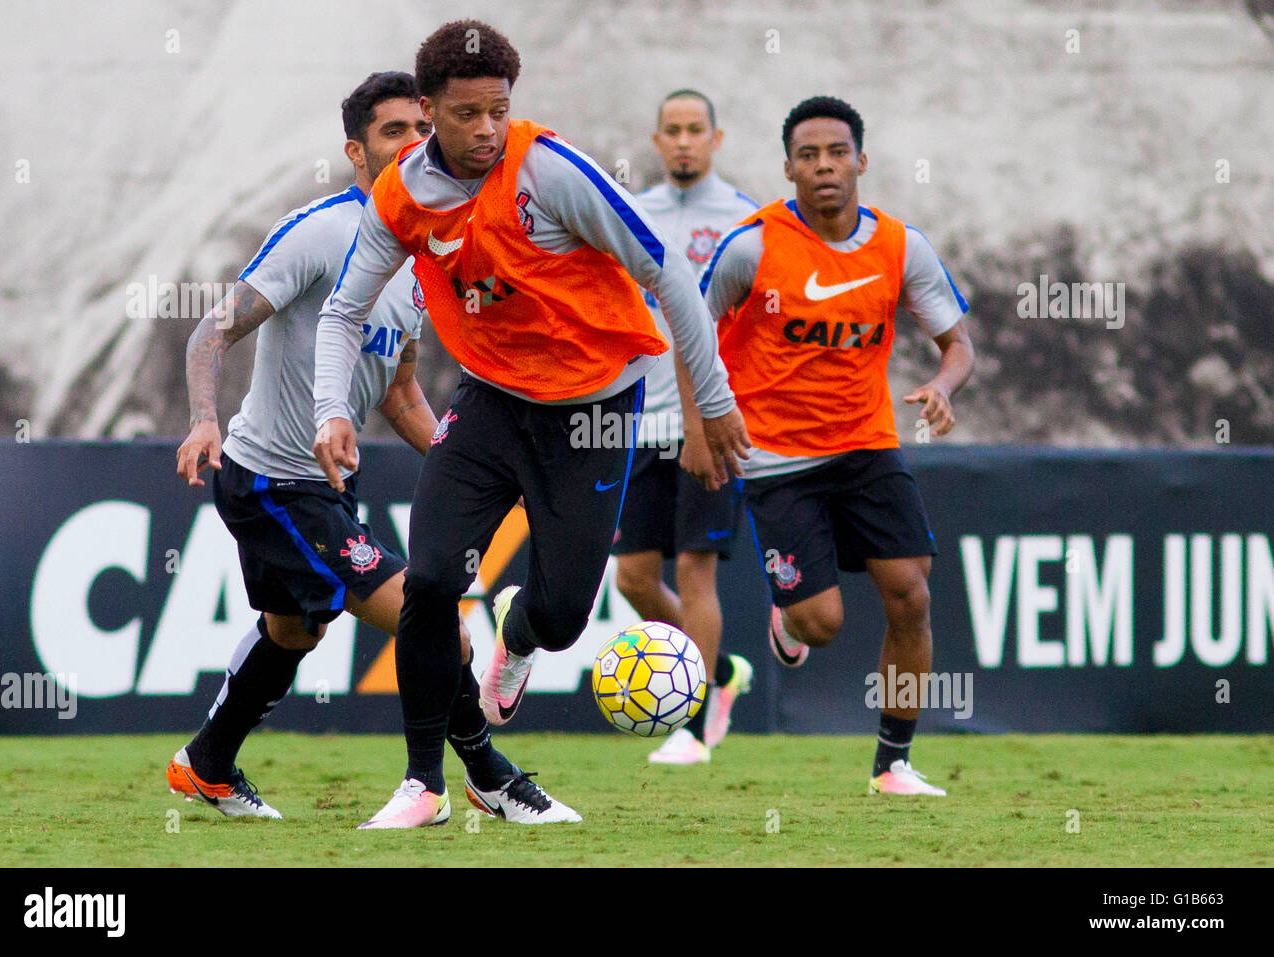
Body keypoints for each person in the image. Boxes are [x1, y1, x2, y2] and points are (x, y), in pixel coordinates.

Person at [313, 21, 751, 828]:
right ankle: (424, 784)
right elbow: (342, 311)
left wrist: (713, 400)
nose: (486, 130)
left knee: (560, 615)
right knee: (433, 580)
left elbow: (670, 270)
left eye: (498, 111)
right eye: (467, 113)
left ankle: (517, 637)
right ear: (429, 109)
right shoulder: (403, 192)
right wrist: (332, 409)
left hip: (592, 409)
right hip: (488, 403)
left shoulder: (547, 170)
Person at [169, 71, 578, 825]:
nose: (414, 145)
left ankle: (206, 763)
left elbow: (400, 395)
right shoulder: (321, 230)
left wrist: (487, 469)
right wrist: (203, 419)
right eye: (394, 132)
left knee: (297, 629)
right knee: (438, 619)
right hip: (271, 480)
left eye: (421, 130)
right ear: (356, 151)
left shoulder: (423, 252)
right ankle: (490, 775)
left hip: (328, 483)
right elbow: (212, 329)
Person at [701, 95, 974, 796]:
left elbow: (958, 344)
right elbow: (692, 327)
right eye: (808, 155)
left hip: (867, 444)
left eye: (837, 153)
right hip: (775, 457)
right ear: (788, 167)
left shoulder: (900, 245)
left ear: (861, 160)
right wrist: (707, 418)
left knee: (911, 594)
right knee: (822, 624)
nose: (824, 166)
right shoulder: (752, 245)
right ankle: (788, 617)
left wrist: (944, 385)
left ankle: (893, 763)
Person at [613, 90, 757, 765]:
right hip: (642, 422)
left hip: (712, 425)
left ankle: (693, 726)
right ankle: (718, 669)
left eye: (695, 130)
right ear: (656, 137)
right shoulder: (634, 212)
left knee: (697, 571)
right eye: (671, 130)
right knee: (635, 578)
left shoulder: (743, 218)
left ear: (716, 138)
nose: (683, 142)